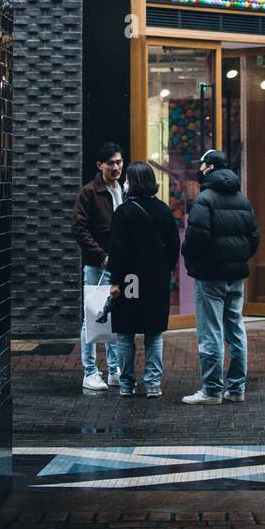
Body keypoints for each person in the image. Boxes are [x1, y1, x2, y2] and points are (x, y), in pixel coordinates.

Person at [180, 149, 259, 405]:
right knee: (235, 330)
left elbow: (196, 237)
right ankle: (236, 388)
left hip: (210, 275)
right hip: (236, 275)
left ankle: (212, 390)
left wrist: (191, 255)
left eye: (202, 164)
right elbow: (254, 238)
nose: (199, 168)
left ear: (210, 167)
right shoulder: (242, 199)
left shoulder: (205, 199)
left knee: (210, 331)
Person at [107, 162, 180, 398]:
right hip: (156, 279)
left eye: (127, 179)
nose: (124, 183)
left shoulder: (123, 212)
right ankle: (153, 384)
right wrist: (165, 269)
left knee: (125, 333)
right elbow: (173, 245)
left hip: (129, 280)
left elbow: (118, 250)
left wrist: (115, 282)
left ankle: (127, 384)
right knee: (154, 332)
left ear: (132, 182)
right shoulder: (163, 210)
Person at [71, 141, 124, 393]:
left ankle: (114, 369)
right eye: (111, 163)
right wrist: (101, 255)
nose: (116, 167)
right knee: (93, 316)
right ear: (99, 165)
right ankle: (90, 371)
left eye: (119, 162)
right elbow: (79, 229)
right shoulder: (90, 192)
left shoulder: (124, 189)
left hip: (120, 263)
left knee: (114, 317)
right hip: (97, 264)